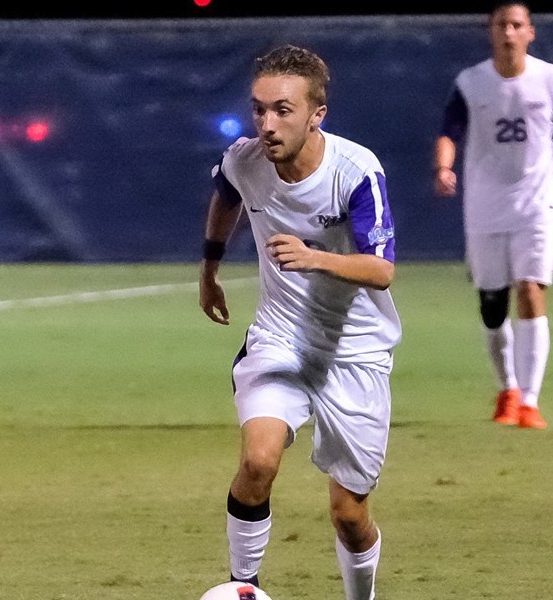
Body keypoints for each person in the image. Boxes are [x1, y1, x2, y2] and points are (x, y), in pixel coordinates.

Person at [198, 44, 400, 600]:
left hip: (355, 351)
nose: (266, 123)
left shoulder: (356, 170)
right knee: (259, 460)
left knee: (349, 514)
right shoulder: (244, 160)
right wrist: (209, 268)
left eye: (282, 110)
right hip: (279, 338)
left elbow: (382, 271)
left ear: (317, 115)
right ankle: (245, 586)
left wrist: (316, 257)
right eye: (259, 109)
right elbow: (225, 197)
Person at [432, 1, 553, 430]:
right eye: (501, 25)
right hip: (485, 206)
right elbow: (449, 131)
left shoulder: (552, 80)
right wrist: (444, 167)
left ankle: (529, 400)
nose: (508, 32)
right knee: (492, 304)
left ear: (530, 32)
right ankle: (507, 387)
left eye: (516, 25)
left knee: (530, 290)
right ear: (491, 32)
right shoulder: (471, 82)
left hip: (537, 204)